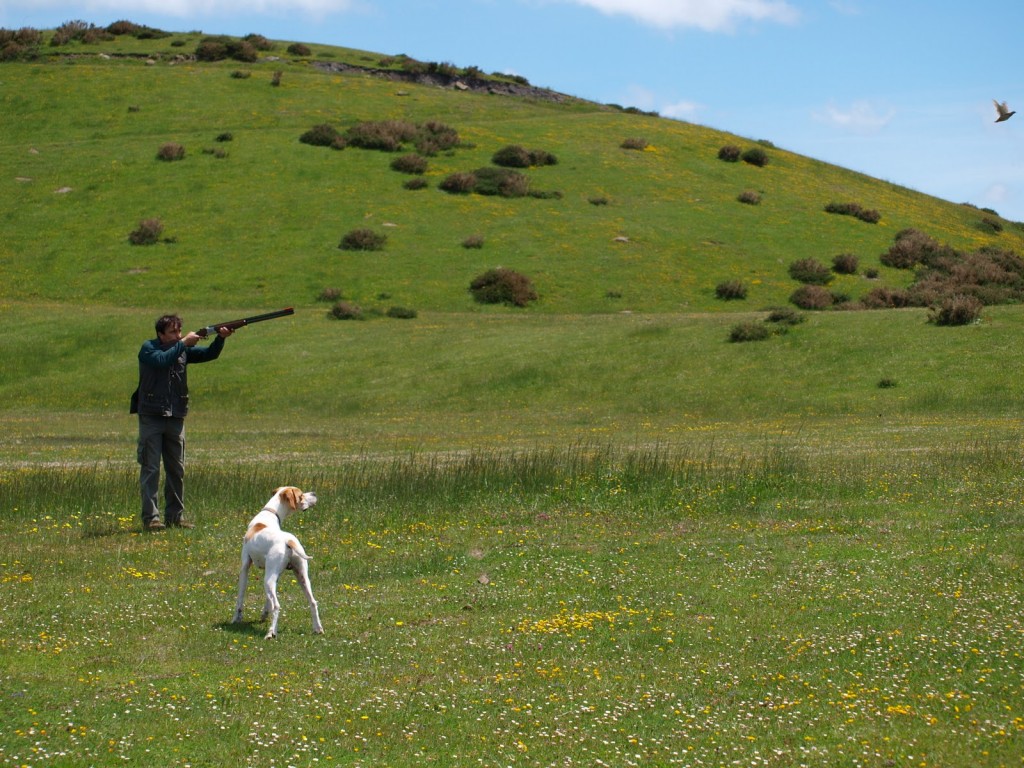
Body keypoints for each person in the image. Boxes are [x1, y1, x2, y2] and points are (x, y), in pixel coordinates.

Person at [131, 314, 234, 531]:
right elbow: (161, 361)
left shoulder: (181, 349)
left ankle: (175, 517)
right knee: (151, 468)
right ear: (160, 334)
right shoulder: (148, 348)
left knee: (176, 469)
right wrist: (184, 343)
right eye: (173, 332)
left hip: (176, 416)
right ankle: (151, 519)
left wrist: (221, 338)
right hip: (151, 415)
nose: (178, 336)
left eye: (180, 332)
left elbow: (209, 354)